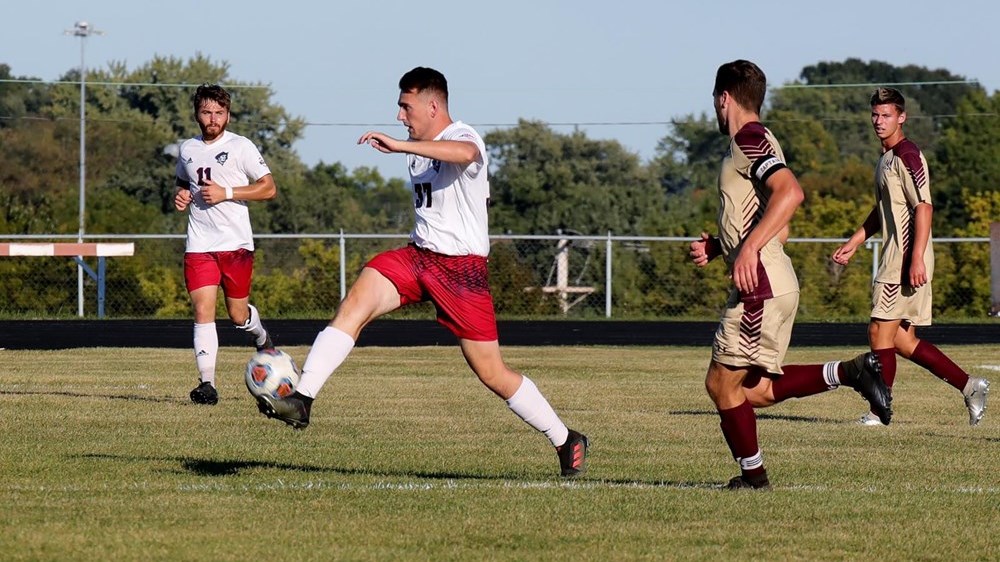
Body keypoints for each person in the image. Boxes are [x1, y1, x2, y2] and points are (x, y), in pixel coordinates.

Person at [255, 67, 588, 477]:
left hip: (462, 271)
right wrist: (407, 145)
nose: (399, 116)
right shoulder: (417, 146)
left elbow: (466, 154)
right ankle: (302, 400)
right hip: (419, 257)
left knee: (492, 372)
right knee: (356, 300)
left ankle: (565, 438)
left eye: (405, 106)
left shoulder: (463, 137)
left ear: (433, 106)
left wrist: (398, 146)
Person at [690, 60, 892, 490]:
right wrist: (722, 246)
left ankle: (754, 479)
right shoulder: (760, 141)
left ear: (723, 97)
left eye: (714, 98)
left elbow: (791, 193)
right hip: (772, 279)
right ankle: (853, 372)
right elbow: (778, 222)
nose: (713, 105)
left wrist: (746, 248)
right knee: (756, 391)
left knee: (721, 384)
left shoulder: (749, 137)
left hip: (760, 286)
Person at [831, 87, 990, 426]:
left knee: (878, 332)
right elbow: (883, 209)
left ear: (901, 117)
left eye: (886, 115)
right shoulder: (885, 157)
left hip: (903, 258)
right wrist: (857, 240)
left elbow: (924, 206)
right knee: (902, 340)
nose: (879, 121)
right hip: (896, 255)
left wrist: (916, 257)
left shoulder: (908, 154)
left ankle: (879, 410)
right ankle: (969, 386)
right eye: (875, 115)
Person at [173, 84, 276, 406]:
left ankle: (262, 338)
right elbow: (181, 183)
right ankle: (207, 384)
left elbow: (268, 189)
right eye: (206, 112)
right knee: (203, 310)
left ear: (228, 115)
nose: (213, 118)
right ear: (196, 114)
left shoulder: (241, 146)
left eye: (219, 113)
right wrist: (181, 196)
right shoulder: (187, 148)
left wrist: (227, 192)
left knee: (236, 315)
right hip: (199, 244)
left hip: (236, 245)